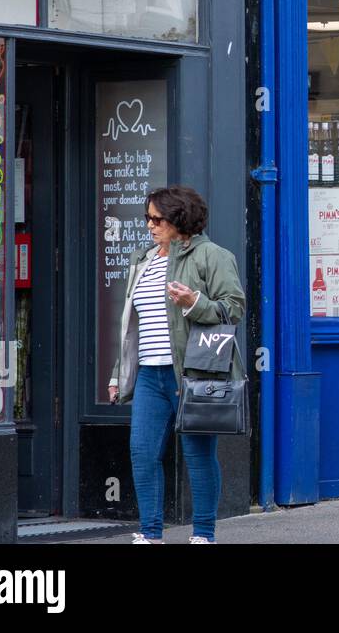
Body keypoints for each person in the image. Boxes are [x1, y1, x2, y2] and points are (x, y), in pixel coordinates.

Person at [108, 186, 245, 544]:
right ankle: (151, 533)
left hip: (192, 373)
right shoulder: (143, 259)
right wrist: (117, 374)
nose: (150, 226)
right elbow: (131, 325)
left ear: (179, 219)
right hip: (149, 373)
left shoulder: (212, 256)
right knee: (142, 452)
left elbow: (233, 308)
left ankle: (203, 533)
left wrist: (195, 301)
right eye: (147, 219)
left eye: (158, 219)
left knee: (198, 454)